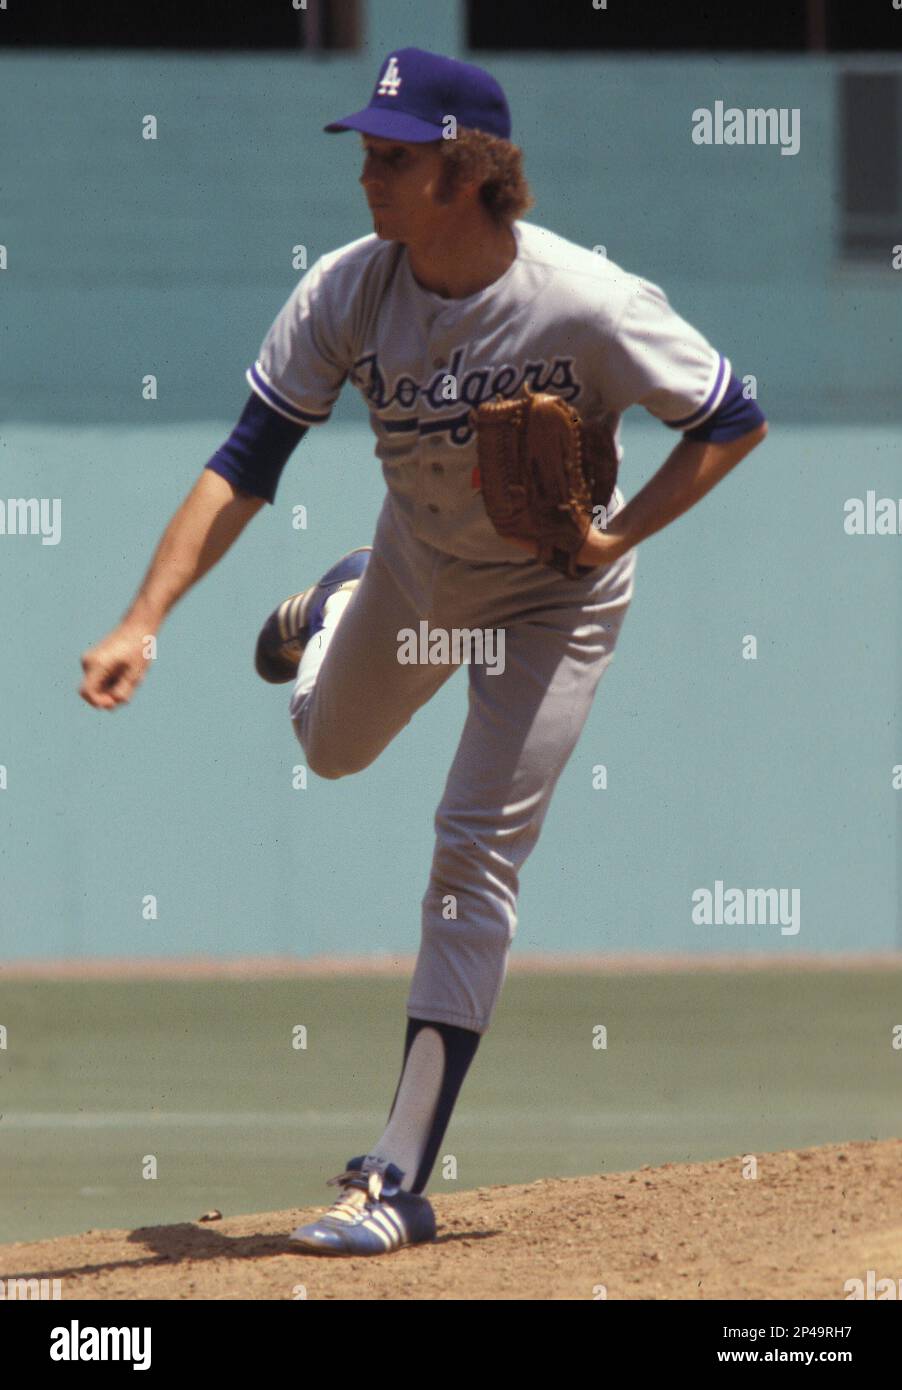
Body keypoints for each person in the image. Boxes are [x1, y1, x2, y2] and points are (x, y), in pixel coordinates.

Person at [80, 47, 767, 1256]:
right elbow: (247, 458)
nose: (367, 177)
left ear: (467, 171)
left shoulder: (588, 301)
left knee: (473, 846)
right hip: (415, 569)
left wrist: (612, 534)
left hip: (556, 598)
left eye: (392, 158)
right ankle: (339, 600)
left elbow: (729, 419)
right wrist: (147, 617)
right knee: (330, 749)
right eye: (364, 154)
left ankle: (392, 1176)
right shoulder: (349, 292)